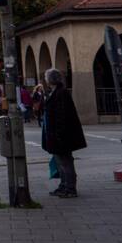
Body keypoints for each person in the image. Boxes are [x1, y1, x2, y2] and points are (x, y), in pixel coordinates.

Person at [42, 68, 86, 197]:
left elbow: (61, 116)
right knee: (60, 161)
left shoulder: (61, 93)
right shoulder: (56, 92)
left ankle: (70, 188)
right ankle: (64, 185)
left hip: (62, 135)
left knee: (66, 162)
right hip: (57, 135)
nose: (45, 80)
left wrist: (58, 135)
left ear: (51, 79)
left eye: (46, 77)